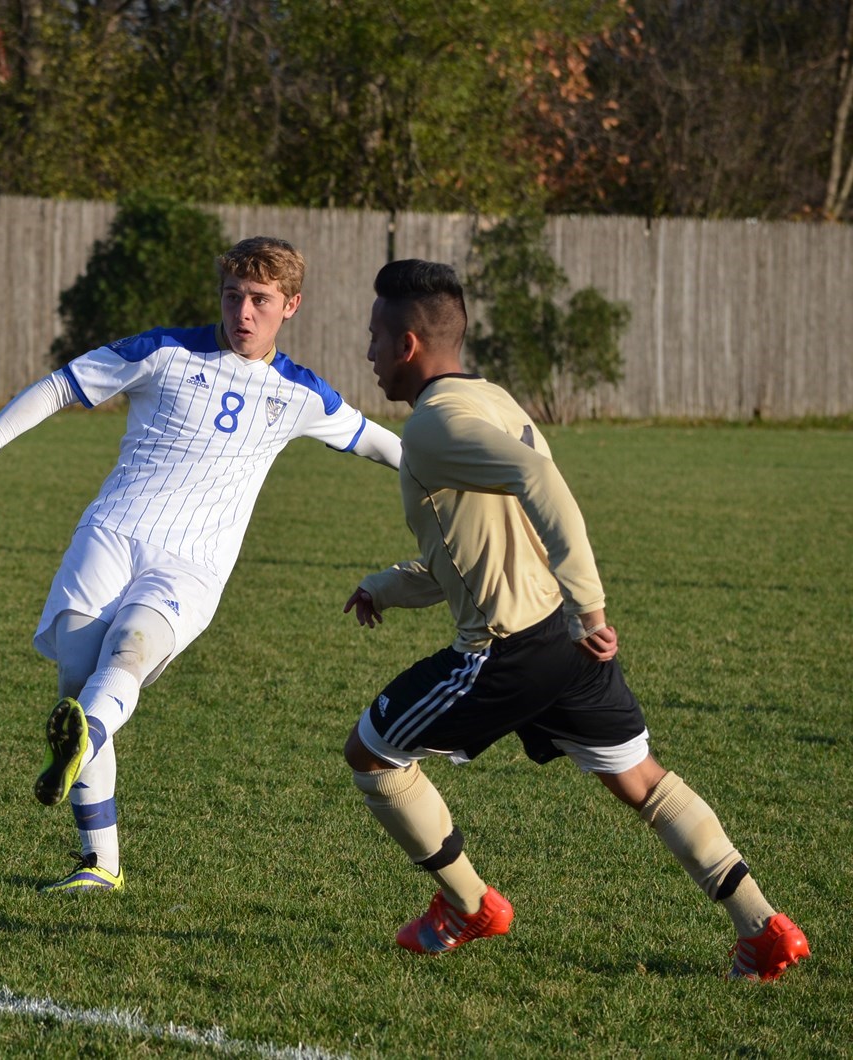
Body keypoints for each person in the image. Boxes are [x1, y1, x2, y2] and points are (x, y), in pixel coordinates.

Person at [342, 258, 808, 980]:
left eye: (374, 336)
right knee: (642, 781)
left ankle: (469, 905)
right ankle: (764, 927)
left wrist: (591, 605)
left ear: (407, 344)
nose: (367, 351)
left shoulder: (433, 425)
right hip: (562, 639)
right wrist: (384, 587)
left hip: (507, 649)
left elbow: (538, 482)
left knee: (371, 755)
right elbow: (476, 551)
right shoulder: (494, 400)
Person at [0, 236, 402, 893]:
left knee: (128, 653)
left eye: (260, 300)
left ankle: (87, 753)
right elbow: (62, 386)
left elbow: (381, 444)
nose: (243, 312)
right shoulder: (163, 351)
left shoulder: (300, 393)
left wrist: (457, 476)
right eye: (233, 296)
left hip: (193, 564)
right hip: (110, 535)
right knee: (78, 685)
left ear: (291, 306)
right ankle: (100, 862)